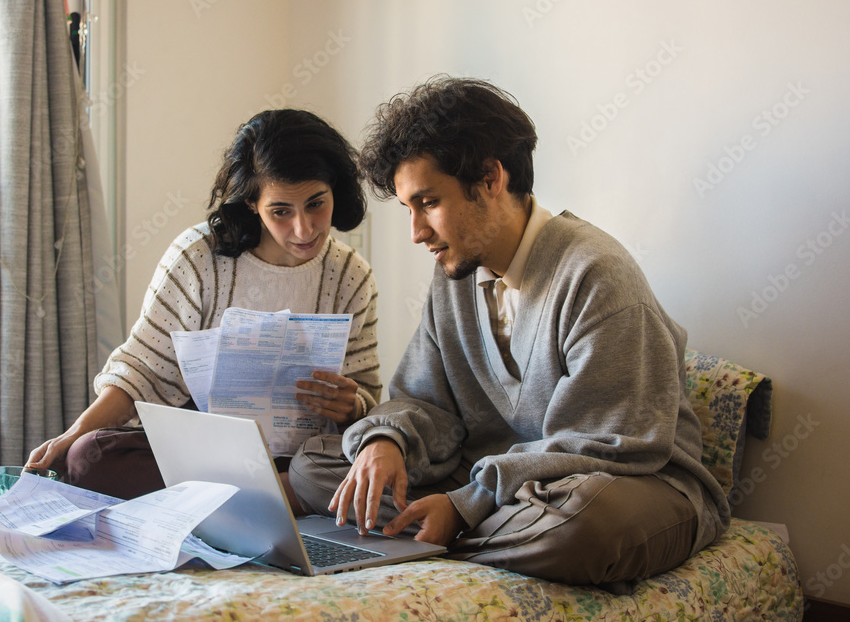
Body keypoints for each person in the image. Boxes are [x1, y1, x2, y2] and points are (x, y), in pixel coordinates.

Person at [288, 77, 729, 588]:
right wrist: (384, 441)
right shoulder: (454, 272)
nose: (416, 232)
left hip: (625, 482)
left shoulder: (597, 274)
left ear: (490, 178)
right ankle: (450, 531)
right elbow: (426, 402)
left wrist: (464, 506)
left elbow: (607, 444)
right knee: (317, 466)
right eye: (409, 209)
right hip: (502, 483)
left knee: (583, 529)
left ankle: (440, 534)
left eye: (427, 203)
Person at [27, 109, 381, 501]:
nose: (304, 228)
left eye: (316, 204)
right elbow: (142, 370)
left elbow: (368, 398)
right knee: (89, 456)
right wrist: (72, 434)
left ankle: (225, 500)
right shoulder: (197, 257)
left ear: (336, 190)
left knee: (365, 464)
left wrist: (351, 405)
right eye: (281, 211)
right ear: (251, 204)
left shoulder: (351, 274)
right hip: (203, 453)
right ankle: (265, 501)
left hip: (300, 459)